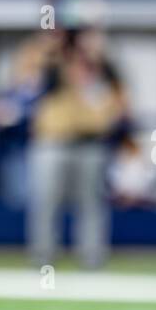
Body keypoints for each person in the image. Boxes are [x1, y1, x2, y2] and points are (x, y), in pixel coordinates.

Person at [26, 27, 128, 269]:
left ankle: (92, 259)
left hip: (90, 142)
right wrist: (56, 48)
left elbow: (118, 97)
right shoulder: (50, 61)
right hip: (53, 140)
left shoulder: (101, 67)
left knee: (91, 204)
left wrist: (94, 55)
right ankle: (43, 259)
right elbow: (37, 82)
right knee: (46, 201)